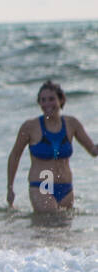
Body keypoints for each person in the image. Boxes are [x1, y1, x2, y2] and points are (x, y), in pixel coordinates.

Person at [7, 80, 96, 212]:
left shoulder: (72, 123)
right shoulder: (30, 127)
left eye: (51, 99)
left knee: (65, 230)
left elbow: (93, 150)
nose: (47, 104)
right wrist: (10, 187)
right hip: (42, 185)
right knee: (49, 224)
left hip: (66, 187)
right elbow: (15, 156)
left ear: (61, 100)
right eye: (43, 100)